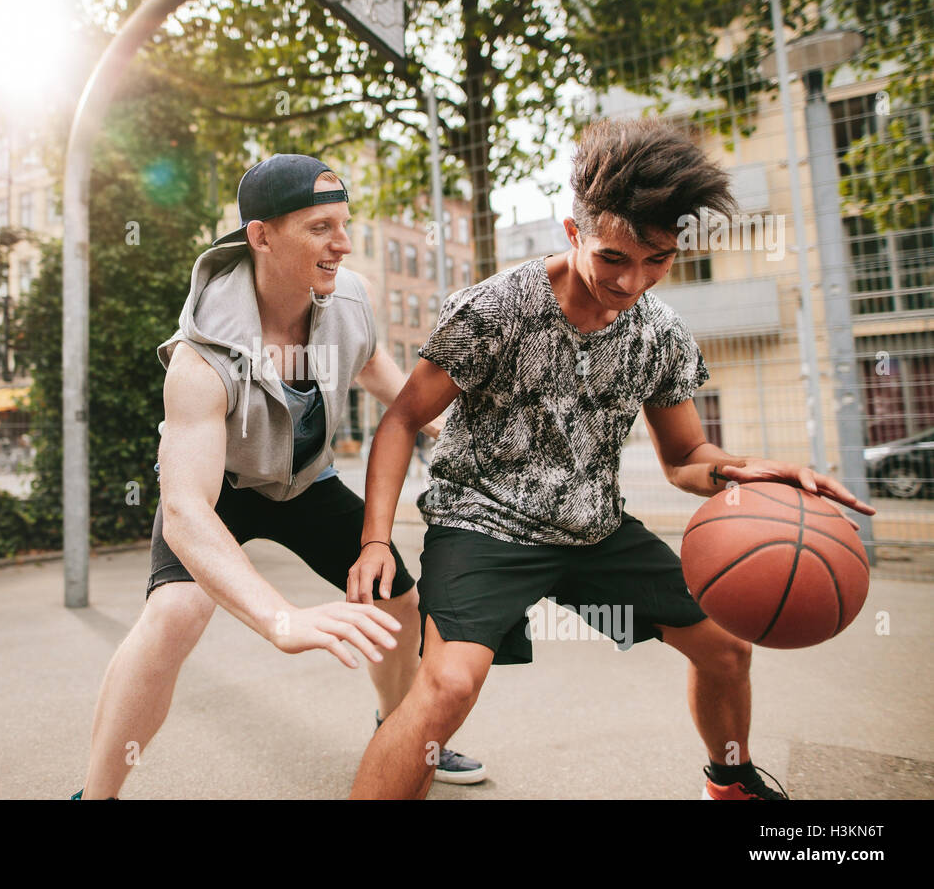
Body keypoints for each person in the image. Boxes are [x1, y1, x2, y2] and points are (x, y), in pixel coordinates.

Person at [345, 118, 877, 800]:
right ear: (576, 235)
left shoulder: (658, 332)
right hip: (482, 523)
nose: (632, 282)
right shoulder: (496, 309)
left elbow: (686, 457)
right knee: (447, 684)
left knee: (725, 647)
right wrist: (375, 540)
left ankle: (731, 781)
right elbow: (402, 419)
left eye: (656, 261)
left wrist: (736, 471)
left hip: (592, 530)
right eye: (614, 259)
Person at [73, 154, 485, 798]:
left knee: (399, 600)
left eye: (344, 224)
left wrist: (448, 431)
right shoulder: (200, 358)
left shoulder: (348, 296)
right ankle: (93, 794)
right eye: (321, 228)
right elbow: (185, 510)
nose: (343, 244)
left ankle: (400, 729)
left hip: (305, 482)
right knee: (174, 614)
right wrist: (279, 618)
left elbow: (375, 365)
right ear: (261, 235)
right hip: (223, 494)